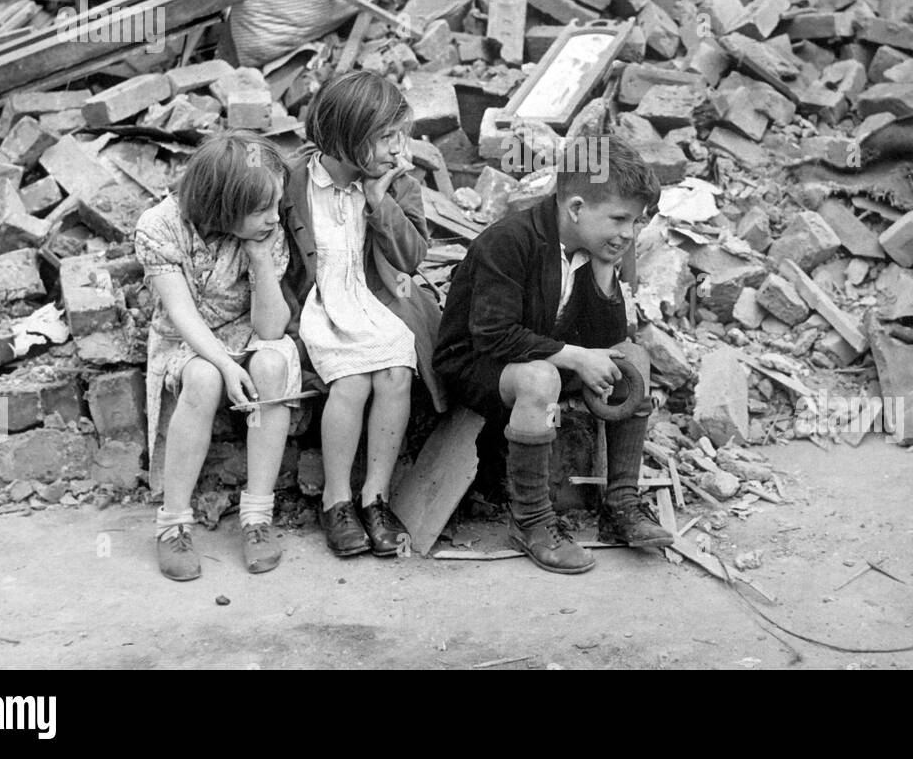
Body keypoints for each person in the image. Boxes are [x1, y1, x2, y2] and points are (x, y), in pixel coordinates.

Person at [433, 134, 672, 574]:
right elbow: (493, 335)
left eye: (636, 222)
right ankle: (533, 521)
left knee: (633, 358)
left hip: (545, 353)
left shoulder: (593, 245)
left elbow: (608, 338)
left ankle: (620, 502)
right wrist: (577, 357)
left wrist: (603, 275)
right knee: (541, 378)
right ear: (577, 208)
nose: (629, 233)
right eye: (620, 218)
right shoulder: (509, 241)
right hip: (479, 365)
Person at [280, 71, 437, 558]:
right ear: (347, 135)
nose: (398, 150)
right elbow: (273, 256)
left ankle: (376, 497)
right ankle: (336, 500)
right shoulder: (293, 180)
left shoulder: (399, 184)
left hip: (371, 300)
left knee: (394, 370)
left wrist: (379, 202)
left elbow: (412, 257)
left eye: (401, 136)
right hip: (317, 304)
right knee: (351, 381)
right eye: (386, 138)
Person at [135, 132, 300, 582]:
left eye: (276, 207)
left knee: (272, 365)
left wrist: (262, 261)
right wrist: (227, 366)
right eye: (260, 210)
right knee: (205, 378)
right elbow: (181, 314)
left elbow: (270, 328)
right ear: (223, 203)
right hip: (186, 338)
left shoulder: (265, 233)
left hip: (246, 329)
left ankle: (257, 516)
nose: (272, 218)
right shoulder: (159, 225)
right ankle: (173, 522)